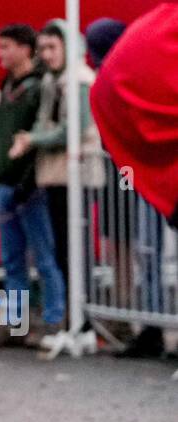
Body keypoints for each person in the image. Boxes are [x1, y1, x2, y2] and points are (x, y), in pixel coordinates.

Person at [90, 9, 177, 359]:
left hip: (151, 177)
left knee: (147, 253)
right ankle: (150, 325)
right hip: (146, 179)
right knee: (146, 253)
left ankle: (152, 324)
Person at [9, 20, 104, 305]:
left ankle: (81, 315)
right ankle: (71, 314)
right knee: (62, 246)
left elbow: (72, 129)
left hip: (78, 173)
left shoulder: (80, 81)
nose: (47, 55)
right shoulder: (53, 81)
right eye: (43, 48)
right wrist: (33, 137)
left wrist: (32, 140)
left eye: (52, 47)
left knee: (74, 246)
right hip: (56, 174)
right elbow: (47, 124)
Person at [0, 23, 64, 345]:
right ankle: (17, 324)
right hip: (5, 182)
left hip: (29, 186)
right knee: (12, 258)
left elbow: (40, 135)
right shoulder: (8, 85)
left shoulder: (38, 87)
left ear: (24, 48)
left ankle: (54, 320)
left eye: (6, 47)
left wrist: (26, 180)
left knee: (43, 255)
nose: (0, 54)